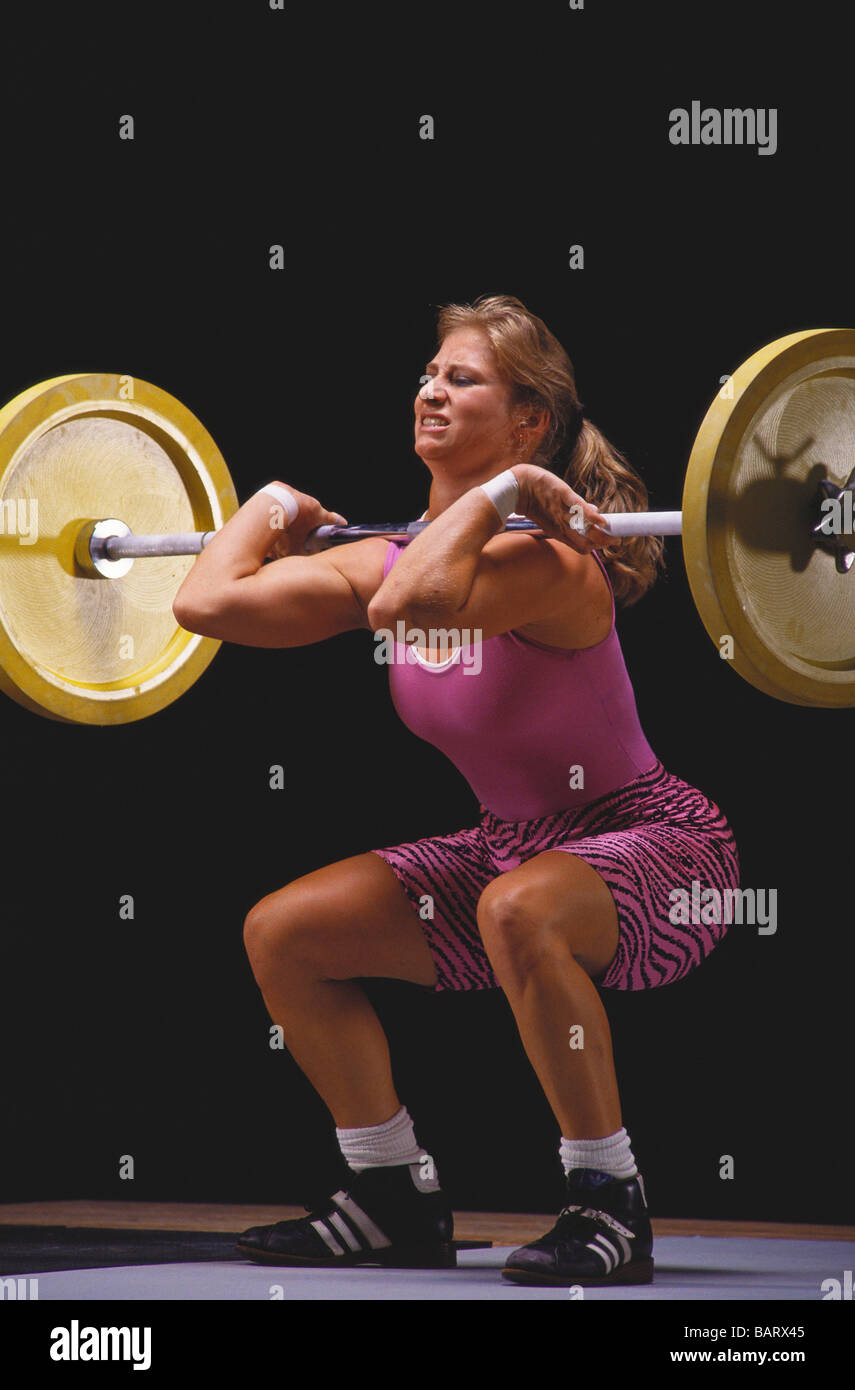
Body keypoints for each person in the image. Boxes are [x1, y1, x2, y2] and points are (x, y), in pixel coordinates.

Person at [173, 294, 740, 1286]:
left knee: (516, 905)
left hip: (662, 847)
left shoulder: (553, 560)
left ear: (530, 423)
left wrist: (505, 496)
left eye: (462, 377)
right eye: (430, 373)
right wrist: (267, 504)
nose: (432, 388)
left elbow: (410, 603)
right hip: (508, 847)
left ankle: (610, 1201)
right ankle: (390, 1193)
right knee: (285, 933)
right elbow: (204, 602)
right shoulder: (387, 555)